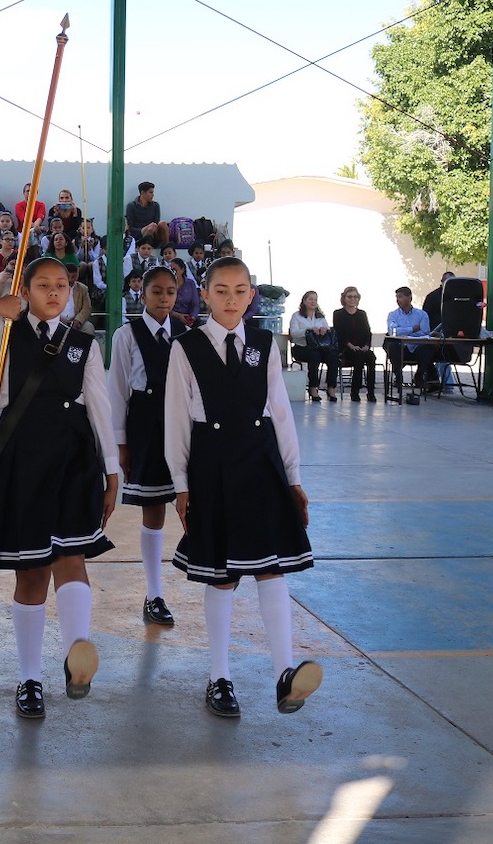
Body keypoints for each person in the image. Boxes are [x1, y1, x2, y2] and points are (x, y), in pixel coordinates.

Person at [0, 256, 117, 718]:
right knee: (30, 571)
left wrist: (112, 472)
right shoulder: (3, 331)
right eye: (42, 285)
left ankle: (76, 656)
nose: (54, 292)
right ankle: (29, 678)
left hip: (75, 458)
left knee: (72, 556)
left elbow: (100, 409)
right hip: (23, 458)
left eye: (61, 286)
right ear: (25, 291)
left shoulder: (83, 344)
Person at [164, 257, 319, 719]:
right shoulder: (186, 346)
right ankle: (220, 676)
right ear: (205, 295)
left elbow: (280, 413)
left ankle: (285, 673)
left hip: (261, 462)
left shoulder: (264, 342)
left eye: (240, 290)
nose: (232, 299)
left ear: (252, 295)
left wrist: (293, 475)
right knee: (222, 573)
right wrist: (180, 483)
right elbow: (175, 420)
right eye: (222, 291)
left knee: (272, 568)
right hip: (212, 466)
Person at [108, 265, 184, 628]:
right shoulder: (127, 335)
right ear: (143, 293)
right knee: (153, 509)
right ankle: (154, 593)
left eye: (170, 291)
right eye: (157, 291)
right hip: (145, 427)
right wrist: (120, 443)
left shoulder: (186, 333)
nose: (164, 298)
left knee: (191, 506)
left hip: (183, 426)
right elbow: (117, 389)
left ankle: (212, 576)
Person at [384, 286, 439, 394]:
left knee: (428, 347)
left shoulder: (421, 314)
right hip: (401, 349)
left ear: (409, 298)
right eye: (397, 297)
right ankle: (398, 375)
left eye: (400, 296)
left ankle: (419, 375)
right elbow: (393, 331)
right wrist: (412, 329)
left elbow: (424, 332)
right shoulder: (393, 315)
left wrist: (405, 333)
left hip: (417, 347)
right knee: (391, 344)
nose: (397, 300)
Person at [290, 291, 340, 402]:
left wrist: (323, 331)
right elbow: (294, 333)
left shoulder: (320, 317)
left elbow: (328, 330)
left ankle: (331, 387)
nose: (313, 302)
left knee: (333, 355)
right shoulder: (297, 316)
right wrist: (308, 331)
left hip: (320, 347)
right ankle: (313, 387)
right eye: (310, 299)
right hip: (302, 347)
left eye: (315, 300)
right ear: (304, 301)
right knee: (314, 356)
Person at [333, 286, 377, 403]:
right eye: (350, 297)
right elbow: (339, 333)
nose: (353, 299)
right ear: (344, 298)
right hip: (346, 348)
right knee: (359, 357)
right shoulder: (338, 314)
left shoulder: (362, 314)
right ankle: (355, 392)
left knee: (371, 357)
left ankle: (371, 392)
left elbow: (367, 332)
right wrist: (351, 345)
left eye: (355, 297)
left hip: (362, 347)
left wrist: (367, 345)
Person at [125, 182, 164, 246]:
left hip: (153, 232)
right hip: (138, 233)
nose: (153, 195)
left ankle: (166, 248)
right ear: (143, 193)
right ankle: (144, 246)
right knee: (151, 227)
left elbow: (157, 222)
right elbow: (130, 227)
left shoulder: (155, 205)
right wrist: (144, 229)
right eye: (150, 192)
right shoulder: (131, 206)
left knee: (162, 223)